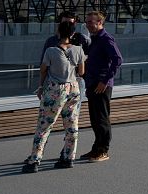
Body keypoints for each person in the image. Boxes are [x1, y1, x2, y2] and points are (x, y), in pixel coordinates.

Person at [22, 19, 86, 173]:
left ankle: (34, 160)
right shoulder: (79, 49)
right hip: (74, 88)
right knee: (71, 125)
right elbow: (82, 72)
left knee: (44, 125)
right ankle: (68, 158)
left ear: (58, 32)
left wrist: (40, 87)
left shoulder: (51, 50)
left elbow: (43, 70)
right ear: (73, 33)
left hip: (56, 89)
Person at [81, 10, 123, 163]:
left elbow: (118, 59)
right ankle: (96, 148)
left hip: (102, 85)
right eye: (87, 22)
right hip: (93, 84)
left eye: (91, 22)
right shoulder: (95, 40)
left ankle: (103, 150)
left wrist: (105, 81)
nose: (88, 25)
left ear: (100, 23)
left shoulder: (106, 39)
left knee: (102, 119)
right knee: (95, 119)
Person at [41, 11, 90, 104]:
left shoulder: (83, 40)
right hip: (55, 82)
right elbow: (44, 66)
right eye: (64, 23)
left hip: (76, 81)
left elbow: (90, 61)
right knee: (69, 115)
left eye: (70, 23)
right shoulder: (51, 41)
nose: (67, 26)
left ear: (75, 24)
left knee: (53, 113)